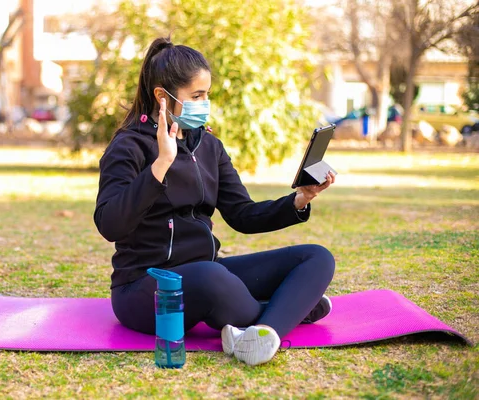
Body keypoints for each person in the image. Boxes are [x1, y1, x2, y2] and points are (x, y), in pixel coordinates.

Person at [94, 37, 336, 366]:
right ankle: (289, 309)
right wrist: (161, 164)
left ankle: (263, 333)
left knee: (316, 258)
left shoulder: (208, 145)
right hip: (145, 289)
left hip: (209, 272)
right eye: (197, 96)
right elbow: (110, 224)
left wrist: (299, 199)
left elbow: (243, 215)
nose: (205, 103)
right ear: (162, 96)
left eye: (206, 94)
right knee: (213, 278)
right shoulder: (129, 146)